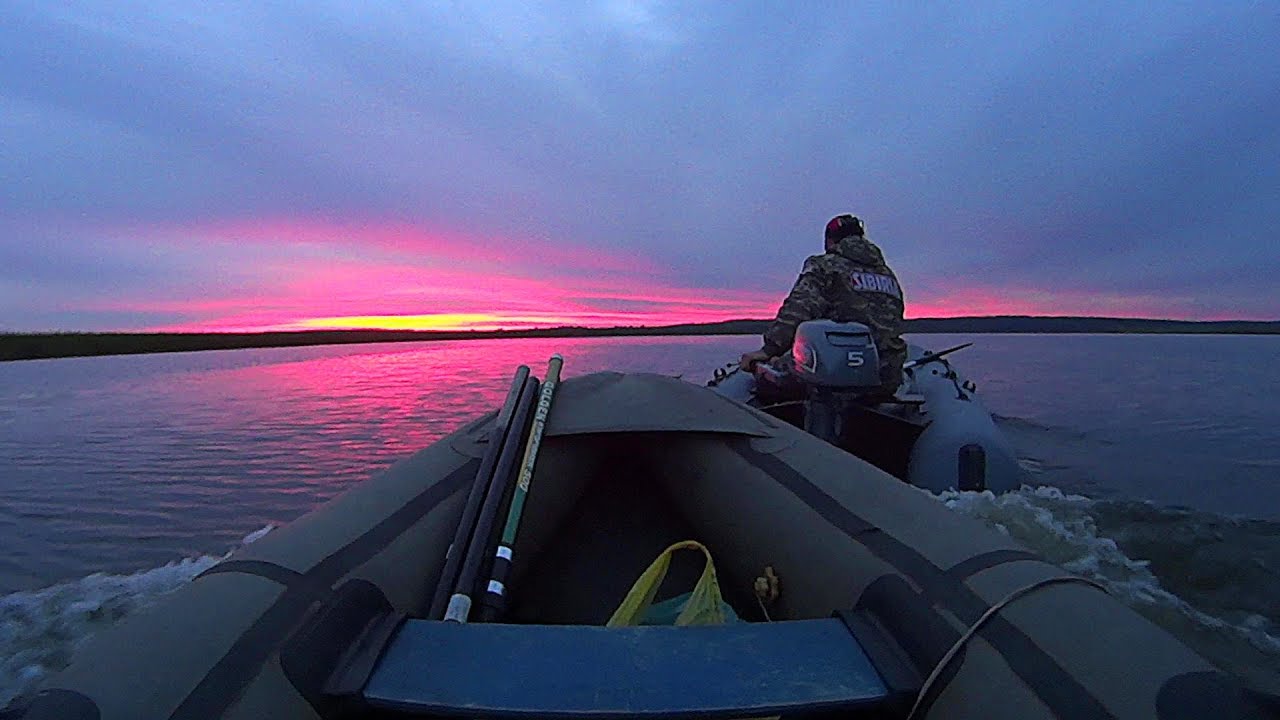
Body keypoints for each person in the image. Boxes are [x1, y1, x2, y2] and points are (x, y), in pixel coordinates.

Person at [740, 214, 907, 396]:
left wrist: (769, 350)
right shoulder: (887, 275)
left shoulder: (825, 265)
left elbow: (798, 308)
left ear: (830, 240)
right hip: (886, 376)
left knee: (769, 374)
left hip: (835, 376)